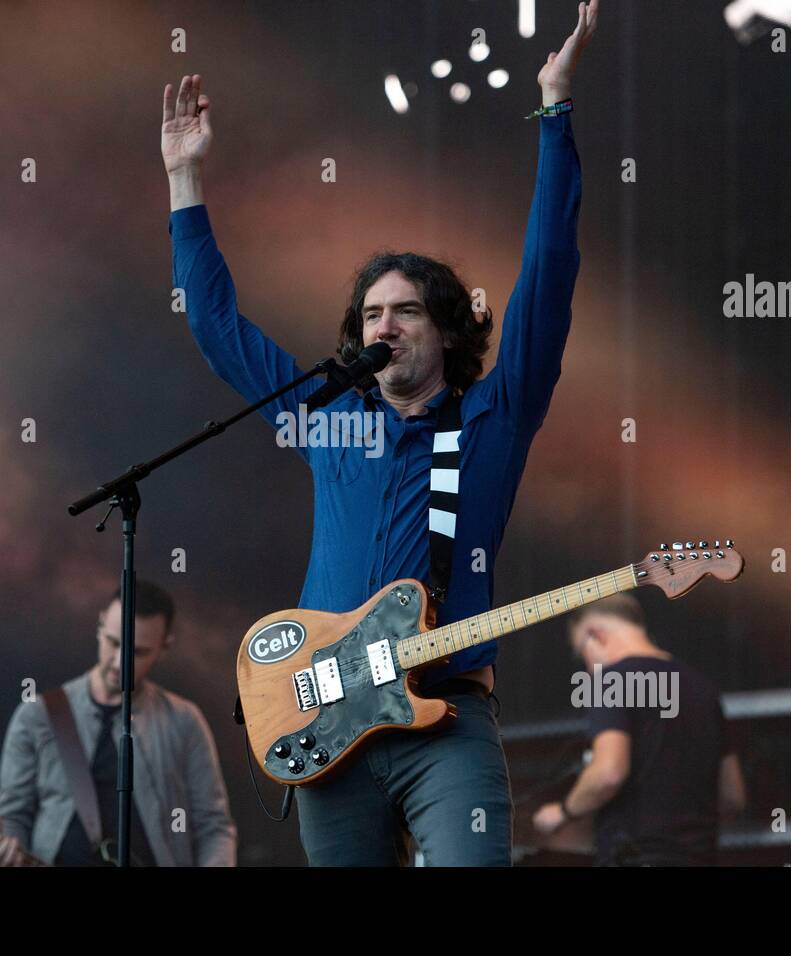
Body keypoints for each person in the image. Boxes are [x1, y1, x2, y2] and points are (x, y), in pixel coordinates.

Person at [162, 2, 599, 866]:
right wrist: (185, 182)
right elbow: (217, 326)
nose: (383, 326)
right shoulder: (330, 418)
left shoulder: (491, 418)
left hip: (449, 718)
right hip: (329, 724)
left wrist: (554, 112)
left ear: (446, 330)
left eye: (404, 311)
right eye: (370, 314)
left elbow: (548, 278)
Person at [0, 580, 237, 866]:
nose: (119, 662)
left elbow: (214, 827)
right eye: (113, 643)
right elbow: (12, 816)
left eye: (138, 652)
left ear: (164, 648)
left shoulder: (185, 721)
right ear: (101, 624)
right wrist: (6, 850)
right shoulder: (37, 716)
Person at [532, 593, 747, 865]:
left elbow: (608, 774)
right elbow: (732, 797)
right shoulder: (704, 689)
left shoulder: (613, 679)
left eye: (581, 653)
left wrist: (562, 813)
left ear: (596, 634)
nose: (586, 669)